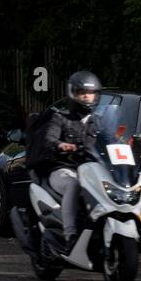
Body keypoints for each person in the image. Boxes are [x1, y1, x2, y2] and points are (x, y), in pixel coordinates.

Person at [37, 70, 103, 254]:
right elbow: (49, 140)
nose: (87, 98)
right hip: (63, 170)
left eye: (91, 94)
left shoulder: (97, 122)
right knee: (74, 185)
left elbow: (114, 141)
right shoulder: (61, 117)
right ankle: (70, 235)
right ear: (74, 95)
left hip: (91, 171)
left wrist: (134, 147)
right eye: (83, 94)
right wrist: (61, 145)